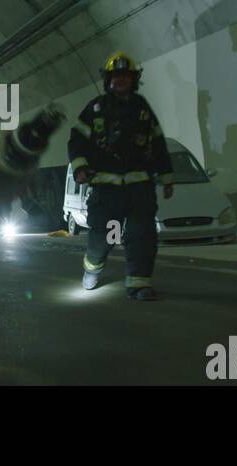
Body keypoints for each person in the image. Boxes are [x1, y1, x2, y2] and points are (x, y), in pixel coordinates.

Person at [67, 52, 174, 301]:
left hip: (139, 189)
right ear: (108, 80)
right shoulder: (95, 109)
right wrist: (81, 168)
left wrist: (167, 176)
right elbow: (77, 140)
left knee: (142, 235)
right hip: (106, 191)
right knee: (103, 238)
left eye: (125, 76)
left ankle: (139, 284)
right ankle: (92, 267)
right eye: (116, 76)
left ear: (133, 80)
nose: (121, 80)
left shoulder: (142, 109)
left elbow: (157, 144)